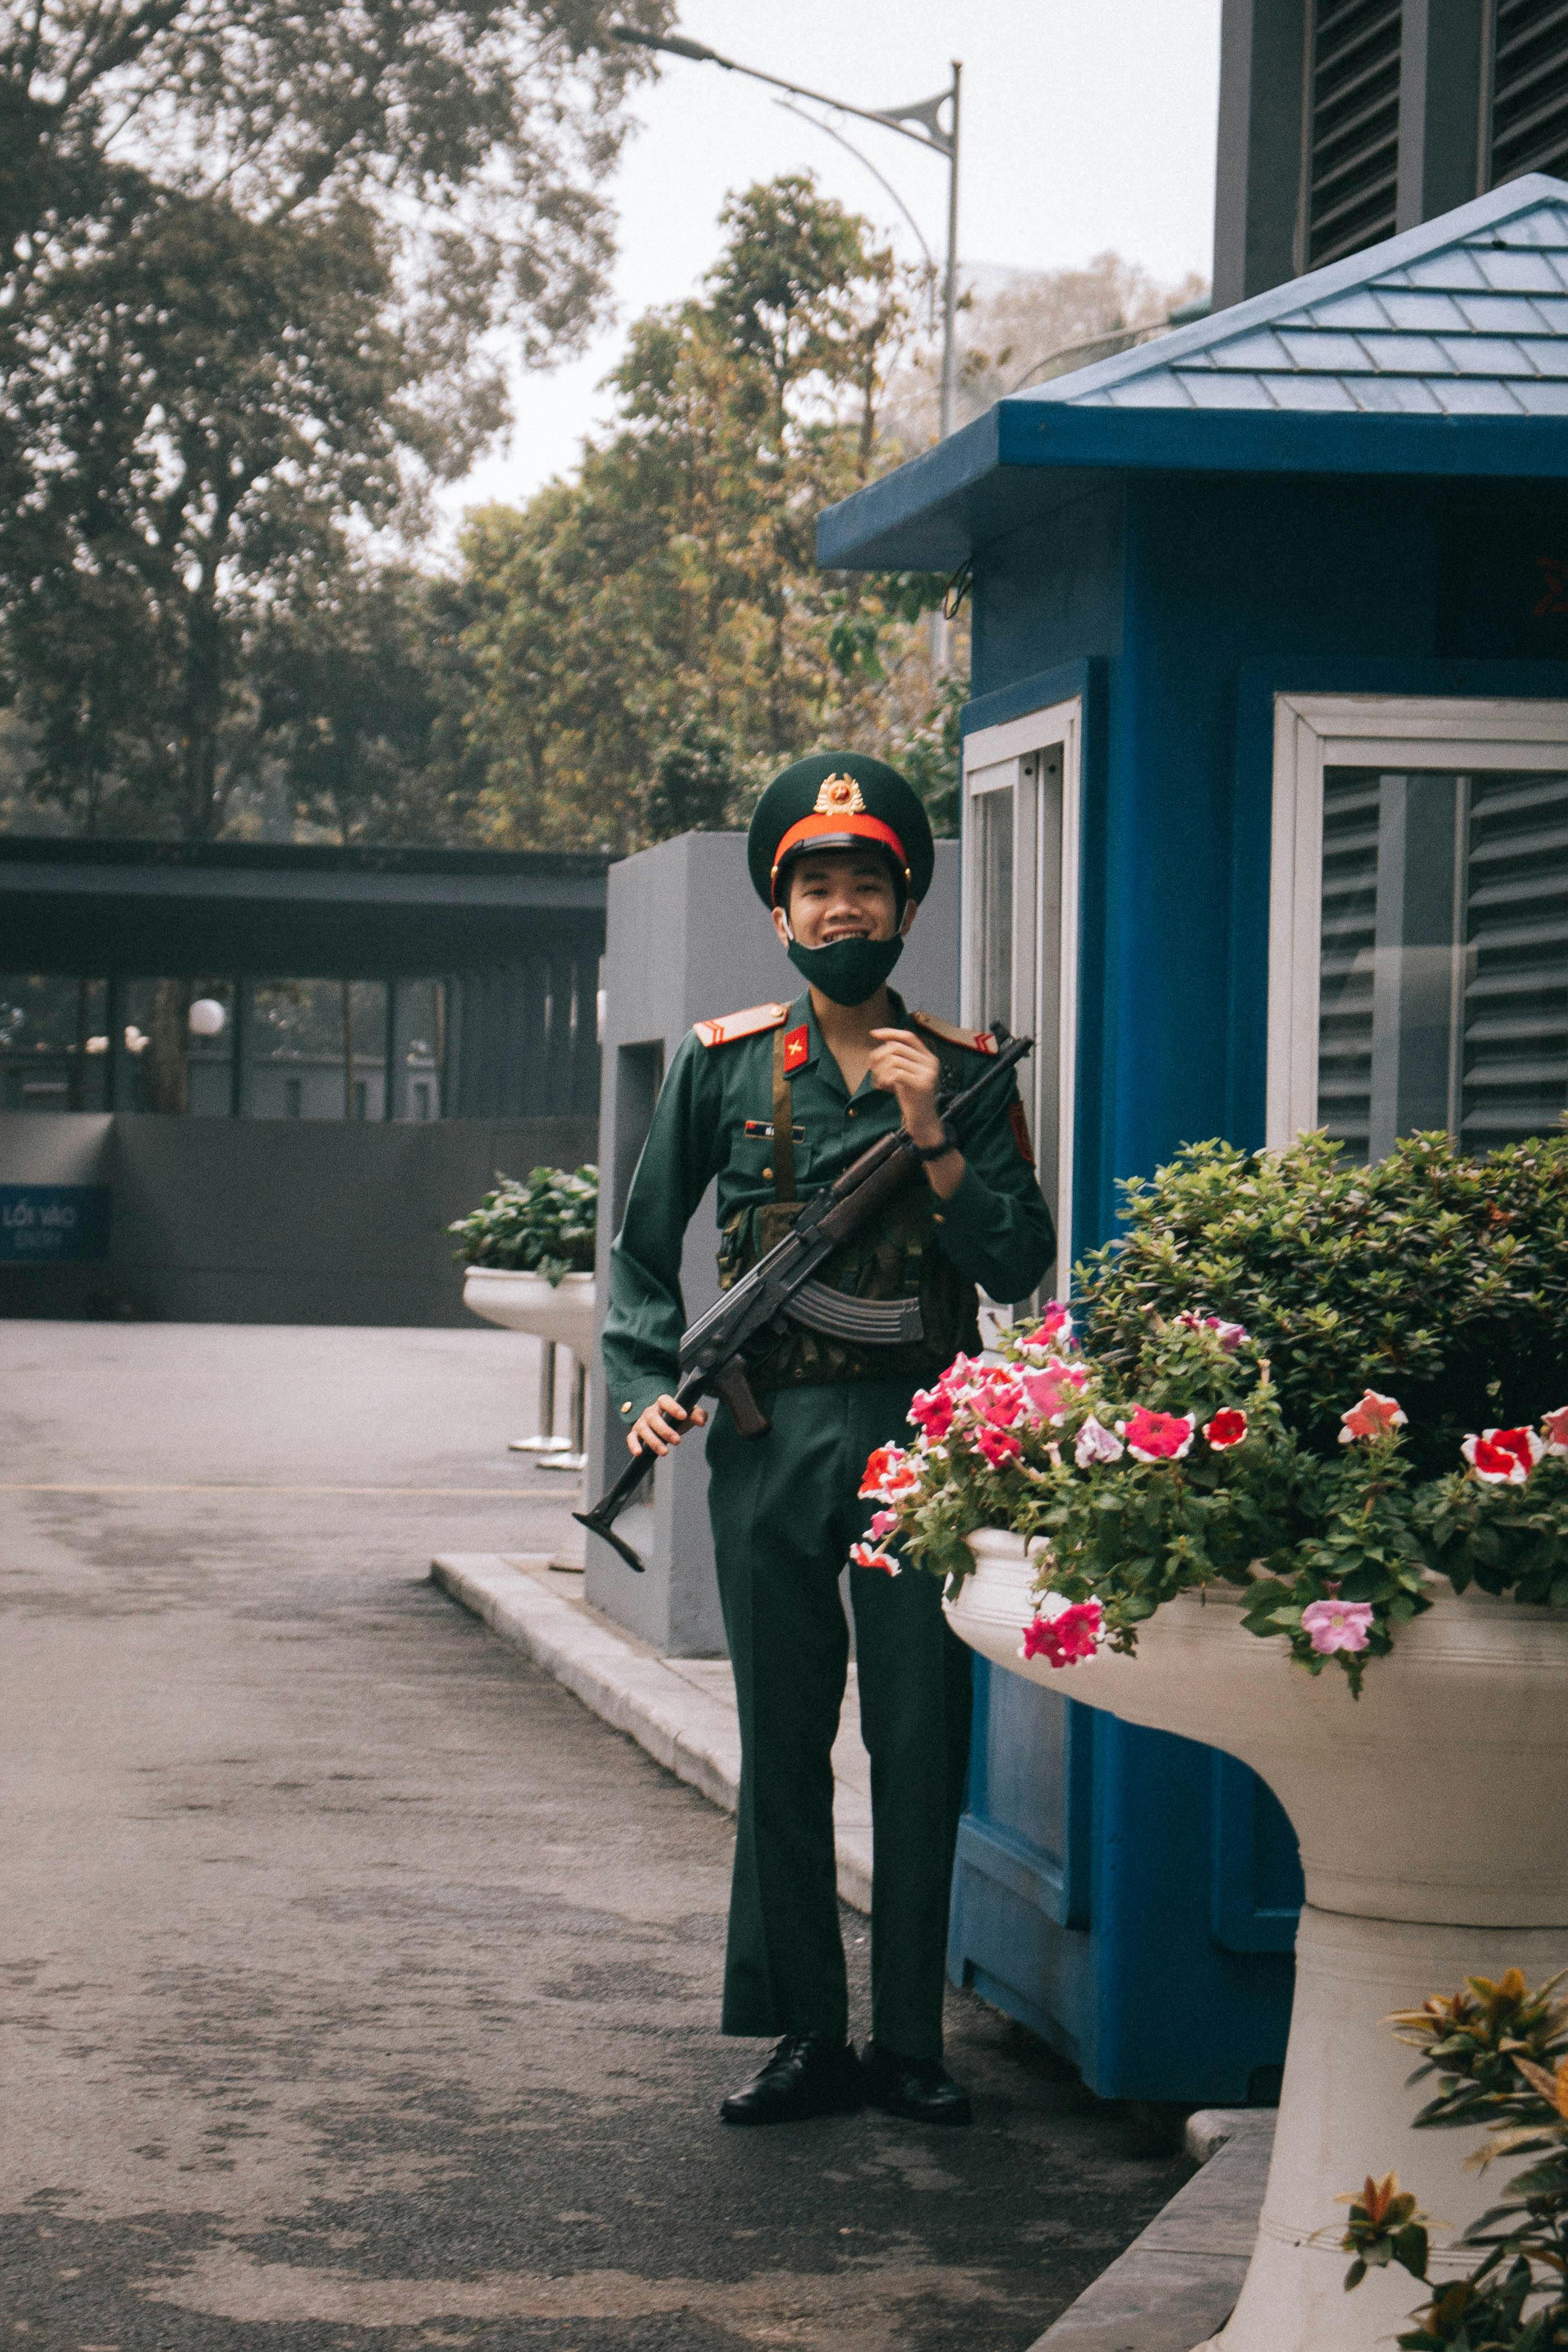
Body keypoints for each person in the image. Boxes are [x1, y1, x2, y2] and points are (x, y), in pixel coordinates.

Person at [600, 751, 1055, 2128]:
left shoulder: (967, 1075)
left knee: (921, 1739)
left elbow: (1020, 1266)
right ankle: (808, 2031)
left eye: (867, 884)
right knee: (784, 1738)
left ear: (904, 906)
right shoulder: (719, 1063)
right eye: (818, 888)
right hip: (771, 1444)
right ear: (782, 914)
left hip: (920, 1445)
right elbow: (637, 1251)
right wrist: (643, 1378)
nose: (843, 909)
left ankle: (910, 2044)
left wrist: (931, 1139)